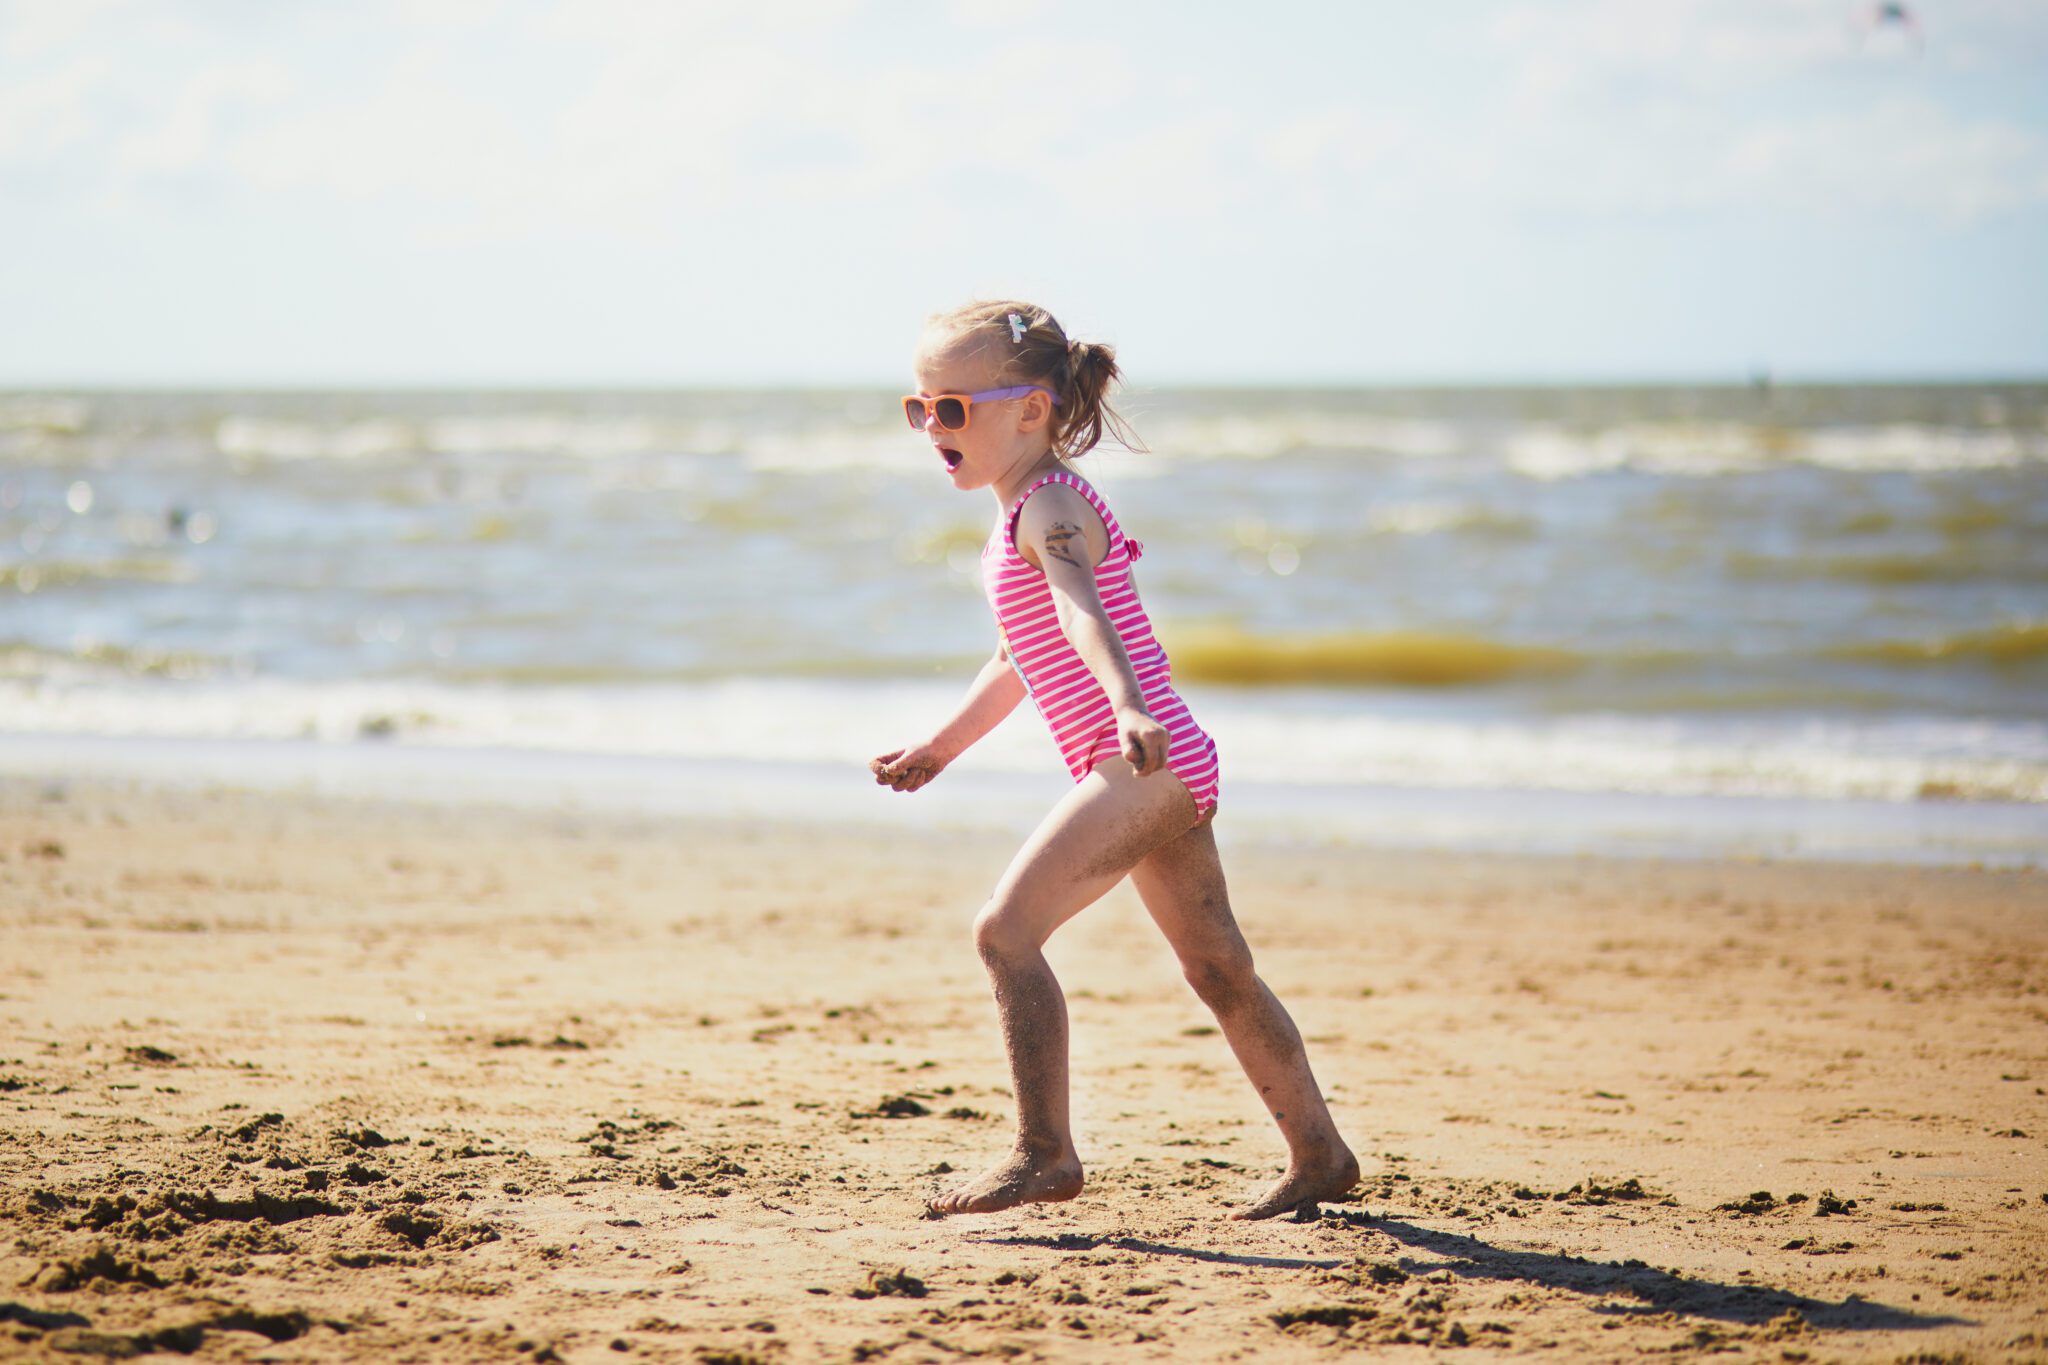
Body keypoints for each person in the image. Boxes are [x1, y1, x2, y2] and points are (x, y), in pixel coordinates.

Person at [870, 300, 1359, 1219]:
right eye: (919, 407)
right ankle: (1320, 1154)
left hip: (1139, 761)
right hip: (1160, 764)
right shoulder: (1015, 509)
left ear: (1032, 409)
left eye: (953, 408)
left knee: (1003, 930)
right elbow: (1019, 658)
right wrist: (941, 746)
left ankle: (1042, 1153)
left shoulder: (1049, 505)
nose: (932, 427)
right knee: (1218, 968)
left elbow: (1078, 612)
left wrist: (1130, 704)